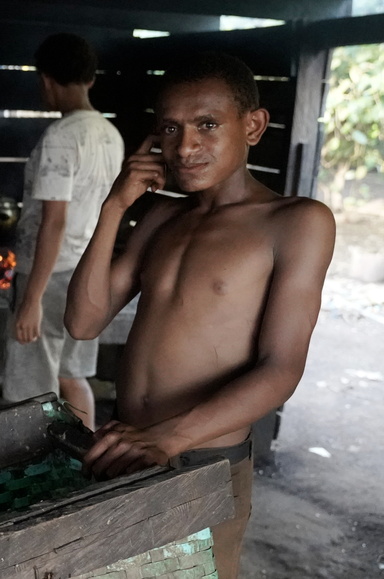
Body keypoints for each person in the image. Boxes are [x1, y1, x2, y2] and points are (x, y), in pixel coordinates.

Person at [66, 52, 335, 578]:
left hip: (201, 462)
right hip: (129, 449)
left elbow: (282, 367)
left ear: (253, 125)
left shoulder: (295, 222)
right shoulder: (162, 214)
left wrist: (171, 438)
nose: (185, 147)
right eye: (170, 128)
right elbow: (82, 321)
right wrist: (114, 208)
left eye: (207, 125)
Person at [1, 33, 124, 430]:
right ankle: (86, 466)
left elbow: (54, 222)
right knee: (73, 377)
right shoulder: (110, 135)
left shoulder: (61, 138)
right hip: (86, 274)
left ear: (46, 80)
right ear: (90, 78)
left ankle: (34, 473)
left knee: (31, 390)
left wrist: (31, 299)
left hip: (50, 277)